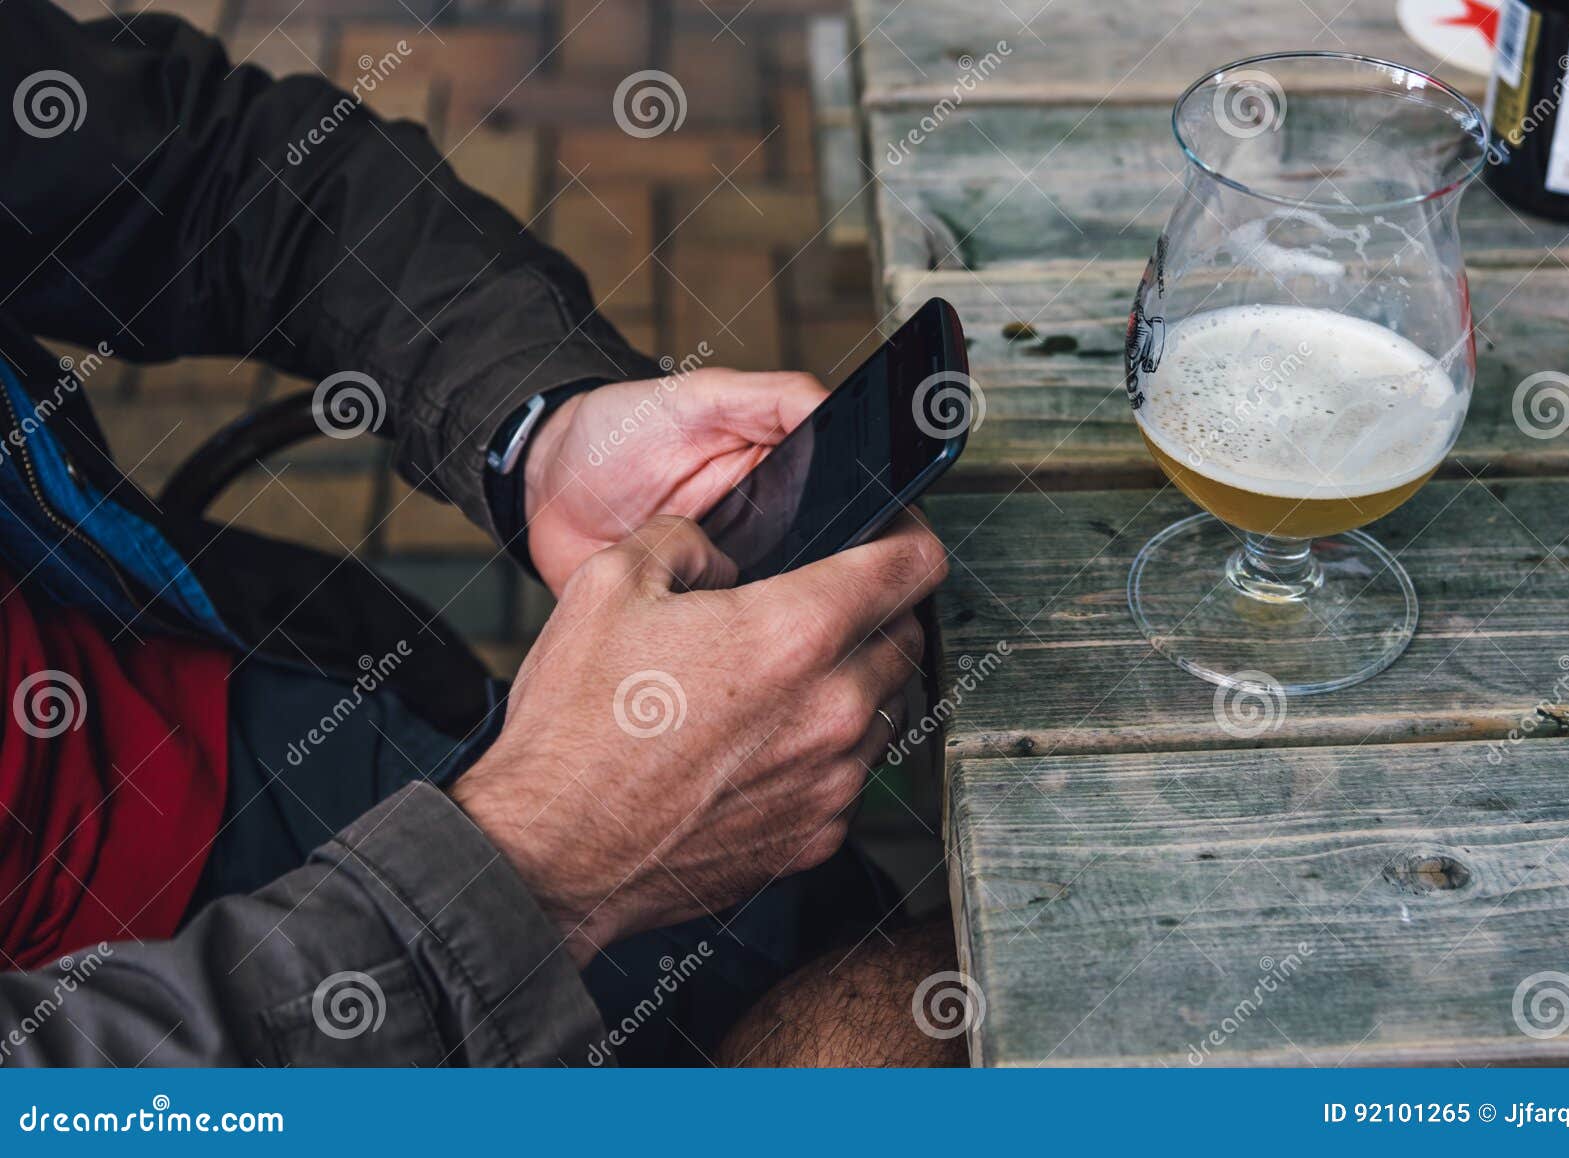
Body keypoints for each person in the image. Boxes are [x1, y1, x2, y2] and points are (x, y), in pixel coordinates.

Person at [0, 1, 960, 1066]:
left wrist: (537, 429)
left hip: (222, 705)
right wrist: (533, 863)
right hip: (213, 1025)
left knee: (851, 943)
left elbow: (220, 172)